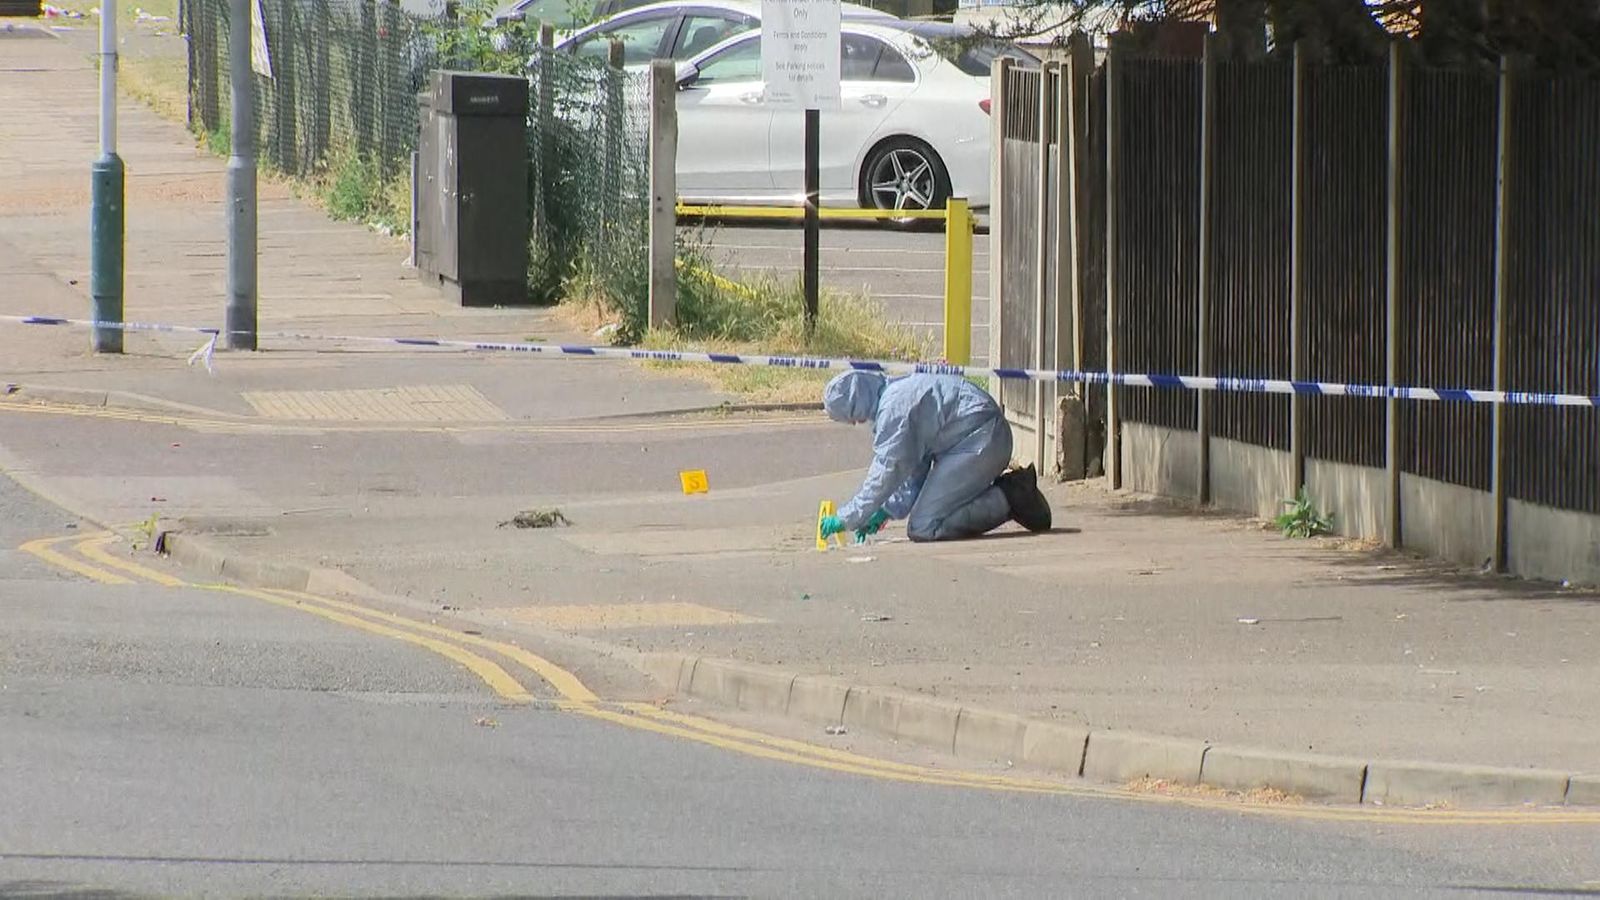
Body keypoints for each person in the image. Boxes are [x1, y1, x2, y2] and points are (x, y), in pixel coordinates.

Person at [818, 370, 1052, 544]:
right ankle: (1005, 494)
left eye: (850, 417)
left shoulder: (894, 412)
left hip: (982, 440)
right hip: (982, 437)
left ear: (856, 405)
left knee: (924, 526)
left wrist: (846, 517)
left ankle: (1009, 497)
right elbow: (914, 470)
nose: (854, 423)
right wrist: (886, 510)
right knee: (928, 514)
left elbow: (885, 474)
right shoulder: (898, 392)